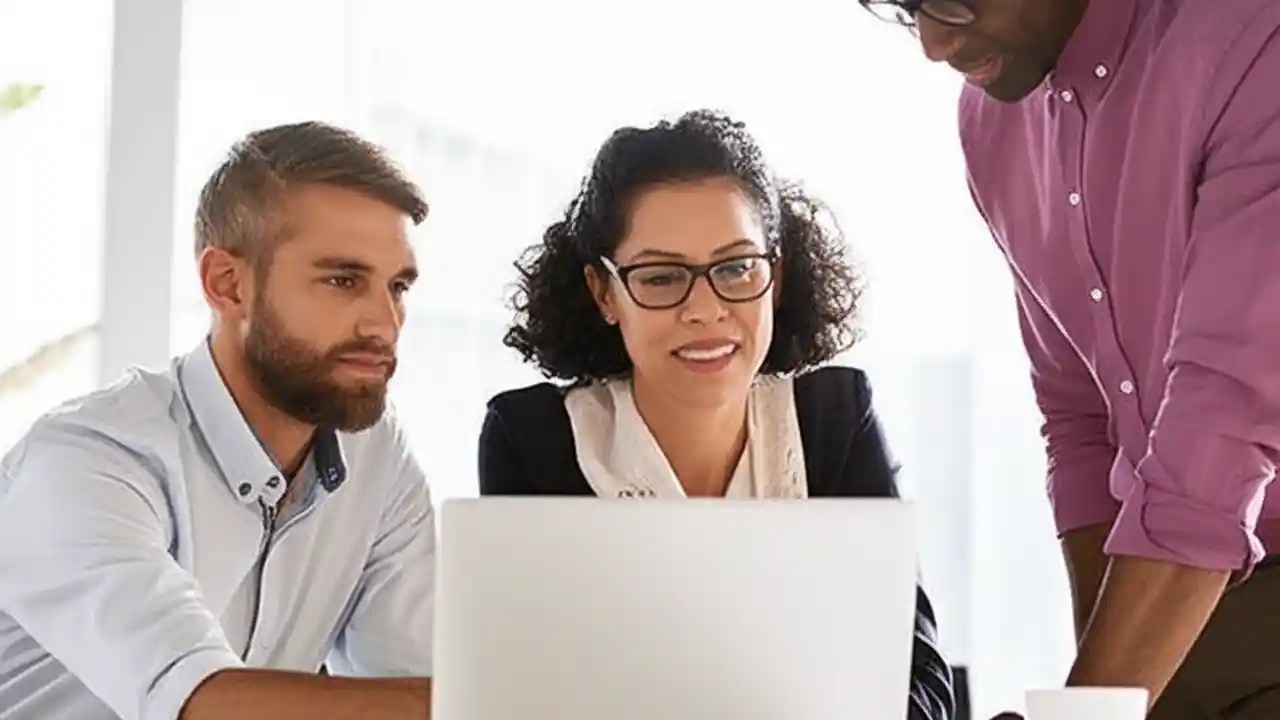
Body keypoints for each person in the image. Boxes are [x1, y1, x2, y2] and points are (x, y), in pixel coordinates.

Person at [859, 0, 1280, 717]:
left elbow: (1223, 424)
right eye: (906, 9)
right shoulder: (992, 122)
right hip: (1191, 592)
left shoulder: (1249, 38)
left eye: (952, 1)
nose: (932, 43)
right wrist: (1098, 700)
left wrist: (1090, 711)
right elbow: (1079, 419)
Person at [478, 109, 956, 719]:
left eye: (735, 268)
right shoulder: (532, 438)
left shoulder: (834, 419)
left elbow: (918, 685)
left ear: (775, 279)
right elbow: (523, 694)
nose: (705, 309)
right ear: (605, 293)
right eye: (660, 277)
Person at [0, 122, 437, 720]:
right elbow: (201, 704)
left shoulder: (375, 458)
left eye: (398, 287)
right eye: (342, 281)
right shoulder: (84, 462)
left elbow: (409, 679)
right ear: (227, 284)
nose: (384, 325)